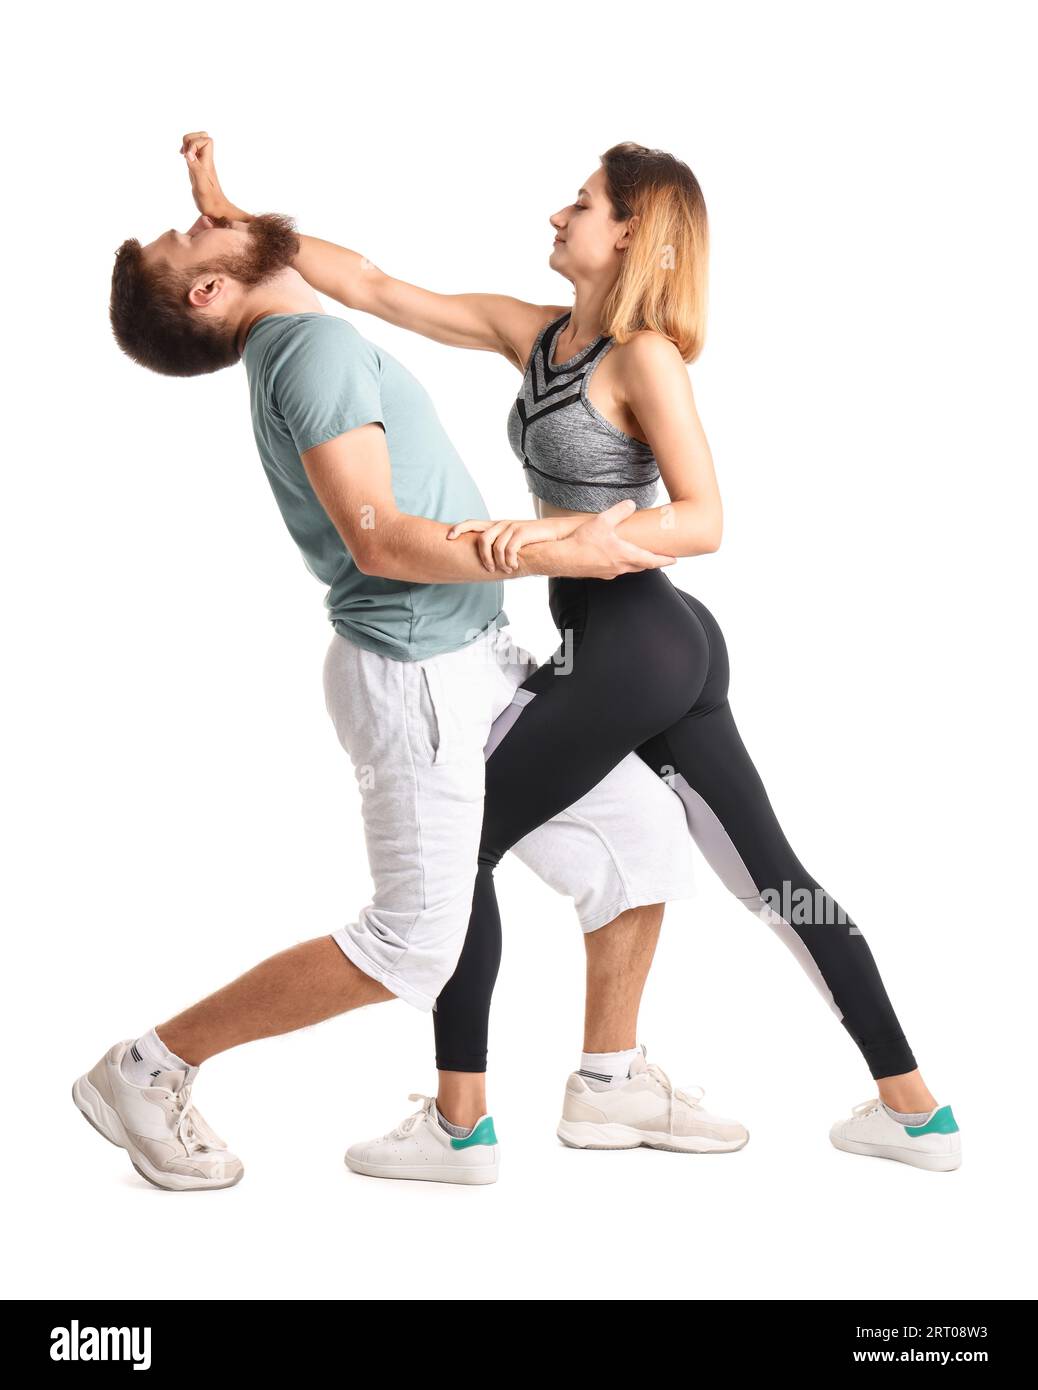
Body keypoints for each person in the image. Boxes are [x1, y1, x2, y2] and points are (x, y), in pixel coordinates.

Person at [221, 137, 961, 1174]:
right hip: (645, 649)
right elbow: (378, 286)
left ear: (631, 234)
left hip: (638, 644)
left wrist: (560, 540)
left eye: (582, 202)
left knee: (460, 839)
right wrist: (239, 215)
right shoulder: (542, 336)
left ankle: (458, 1124)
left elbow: (704, 520)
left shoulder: (643, 356)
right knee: (772, 880)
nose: (558, 215)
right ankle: (915, 1111)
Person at [71, 135, 750, 1194]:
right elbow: (379, 539)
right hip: (416, 679)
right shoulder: (311, 355)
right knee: (411, 943)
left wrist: (232, 204)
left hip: (472, 655)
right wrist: (545, 541)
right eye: (192, 233)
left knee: (640, 839)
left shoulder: (292, 324)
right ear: (213, 289)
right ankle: (148, 1066)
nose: (201, 216)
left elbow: (355, 274)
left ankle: (610, 1080)